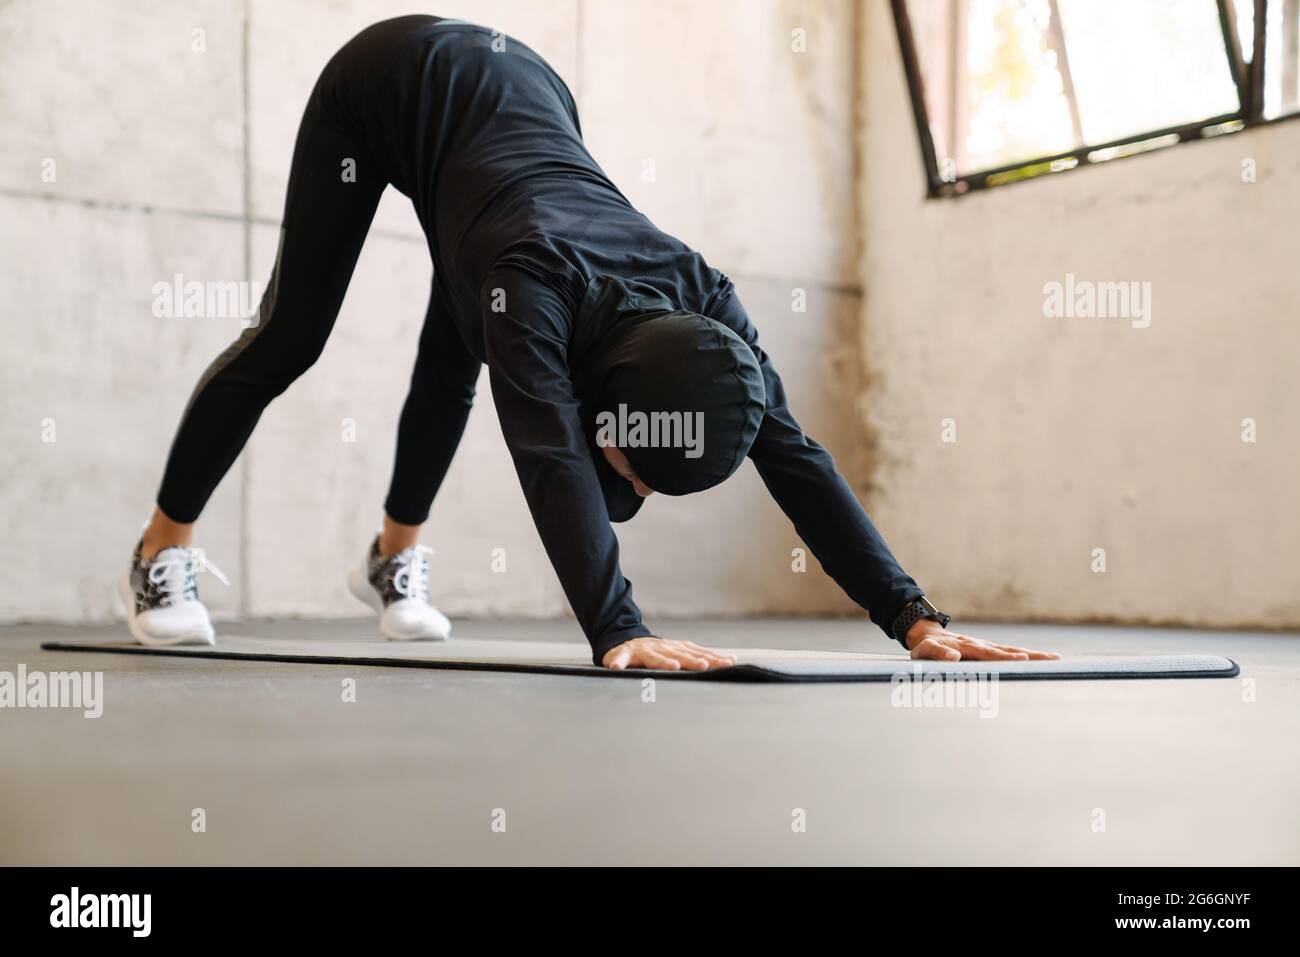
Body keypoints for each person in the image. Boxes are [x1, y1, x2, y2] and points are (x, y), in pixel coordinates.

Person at [121, 15, 1058, 671]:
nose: (634, 493)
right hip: (381, 87)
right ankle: (161, 552)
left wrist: (913, 616)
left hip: (527, 104)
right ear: (607, 401)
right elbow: (546, 454)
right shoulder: (528, 285)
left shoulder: (707, 302)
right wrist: (618, 627)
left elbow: (795, 455)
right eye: (638, 470)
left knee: (457, 345)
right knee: (294, 336)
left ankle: (388, 558)